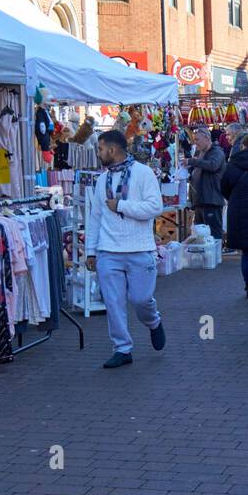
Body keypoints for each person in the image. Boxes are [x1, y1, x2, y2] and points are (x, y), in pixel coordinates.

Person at [86, 130, 167, 369]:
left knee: (141, 299)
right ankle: (122, 348)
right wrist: (91, 251)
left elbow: (155, 207)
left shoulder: (143, 174)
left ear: (112, 150)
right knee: (113, 303)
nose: (98, 154)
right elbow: (96, 217)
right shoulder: (102, 181)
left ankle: (153, 321)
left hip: (140, 249)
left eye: (100, 149)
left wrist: (122, 205)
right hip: (108, 251)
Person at [221, 133, 248, 297]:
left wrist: (233, 198)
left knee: (246, 253)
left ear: (242, 146)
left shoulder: (232, 164)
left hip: (237, 210)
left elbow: (224, 187)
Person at [185, 127, 226, 240]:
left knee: (213, 235)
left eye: (197, 139)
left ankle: (215, 257)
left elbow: (212, 165)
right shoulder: (201, 152)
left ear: (207, 138)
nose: (195, 142)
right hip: (201, 201)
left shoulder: (217, 152)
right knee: (200, 237)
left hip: (211, 201)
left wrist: (192, 161)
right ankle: (203, 258)